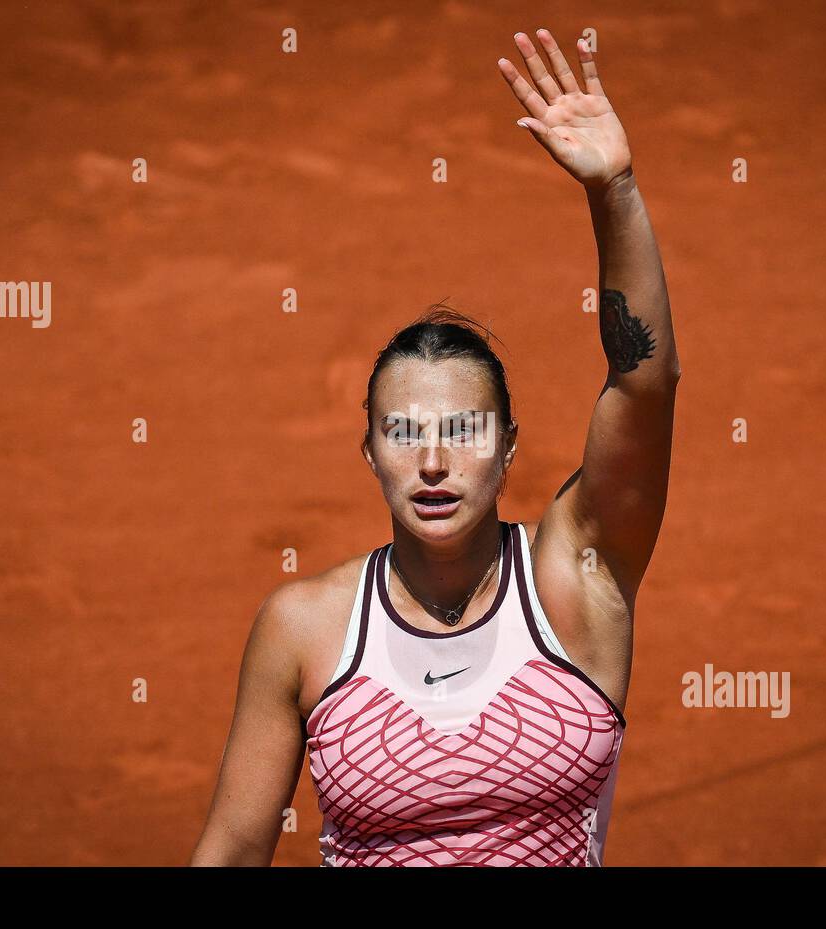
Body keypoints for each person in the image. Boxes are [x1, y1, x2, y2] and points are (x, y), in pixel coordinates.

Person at [190, 27, 679, 867]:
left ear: (510, 448)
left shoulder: (578, 576)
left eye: (463, 432)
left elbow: (645, 380)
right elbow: (234, 848)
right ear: (369, 452)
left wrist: (617, 191)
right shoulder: (304, 629)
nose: (433, 462)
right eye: (403, 433)